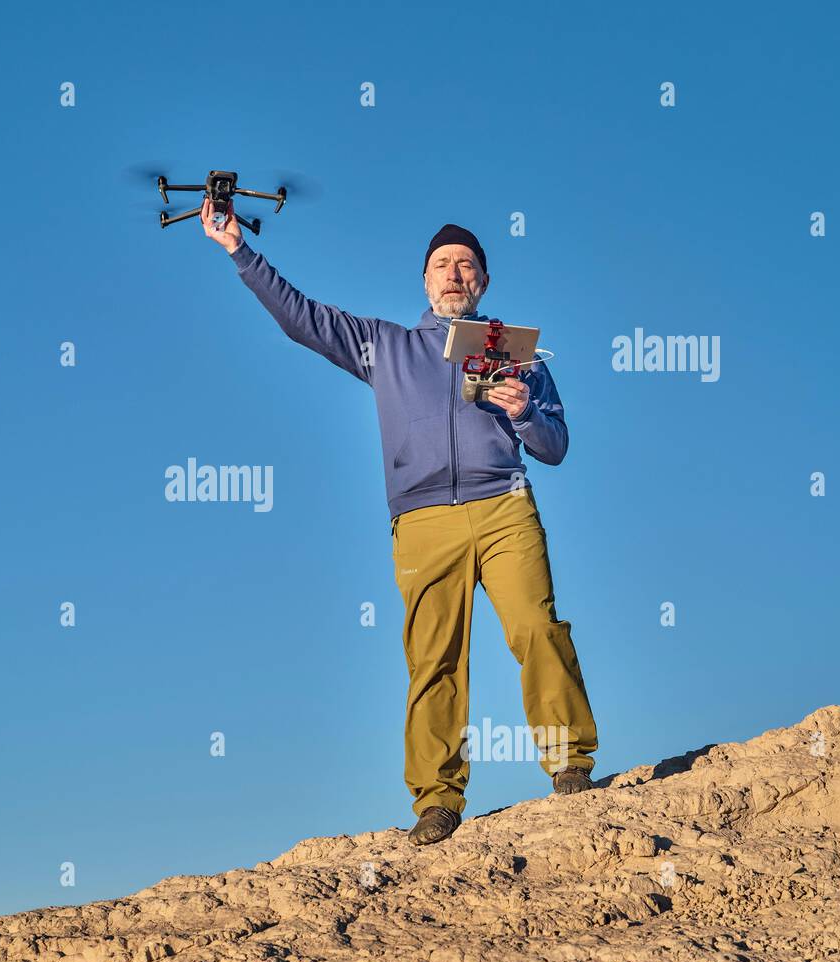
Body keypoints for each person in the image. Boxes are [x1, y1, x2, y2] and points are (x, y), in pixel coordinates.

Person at [201, 198, 599, 846]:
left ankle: (570, 767)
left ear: (484, 283)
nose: (454, 273)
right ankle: (438, 800)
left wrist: (526, 412)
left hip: (504, 507)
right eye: (443, 263)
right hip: (420, 521)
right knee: (433, 660)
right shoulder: (385, 346)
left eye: (467, 264)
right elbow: (303, 319)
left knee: (536, 629)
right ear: (425, 280)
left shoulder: (516, 355)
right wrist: (241, 252)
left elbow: (555, 446)